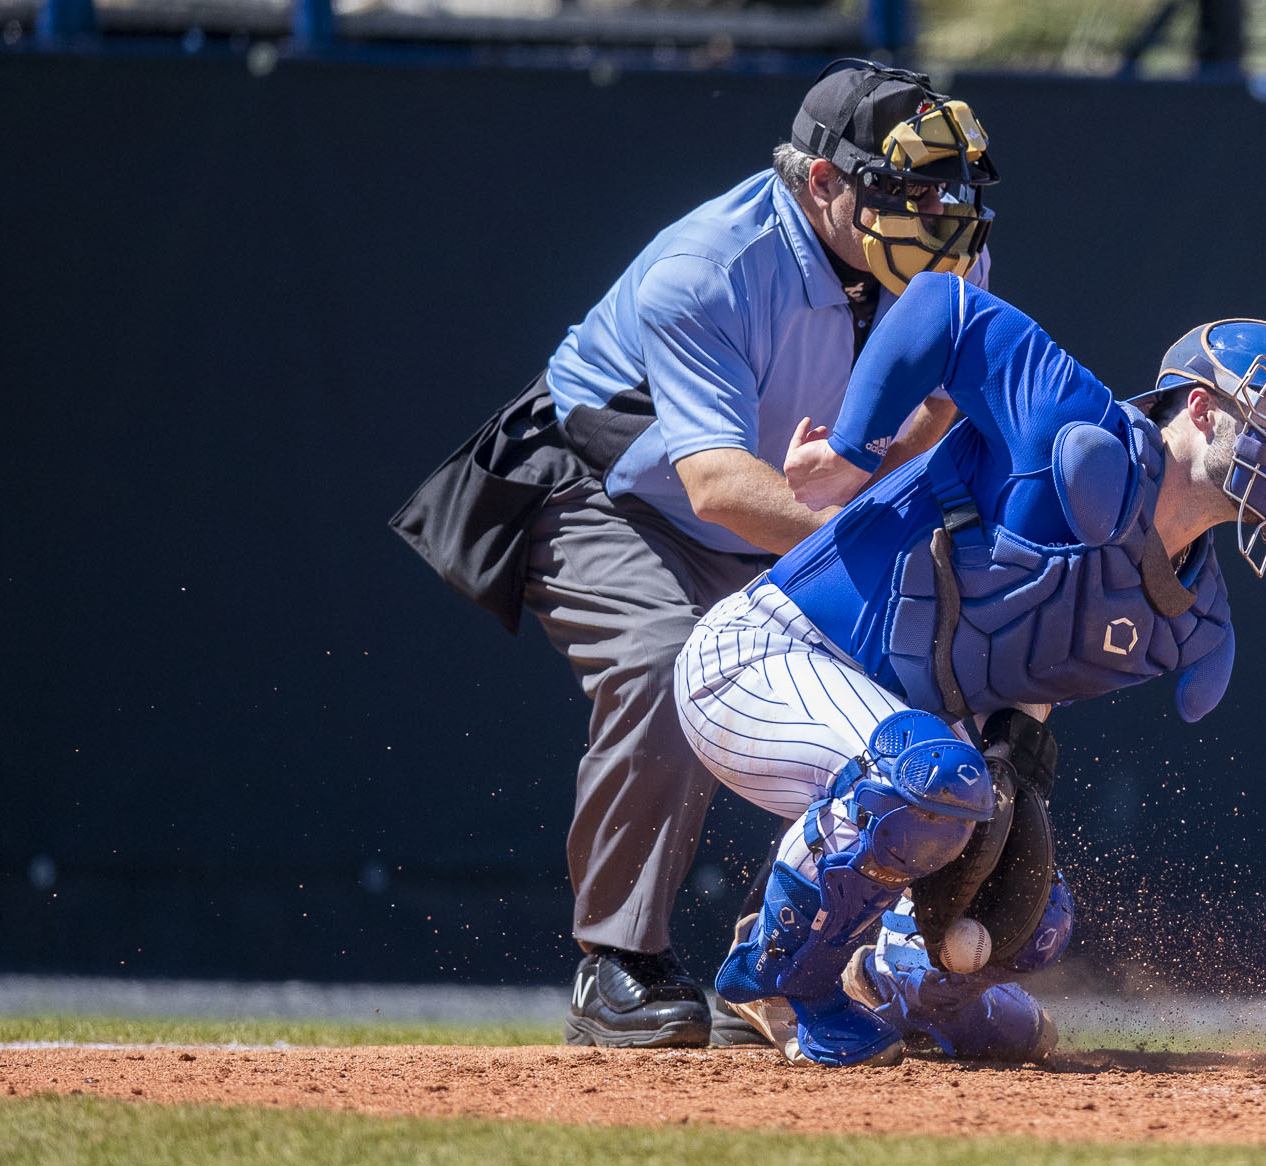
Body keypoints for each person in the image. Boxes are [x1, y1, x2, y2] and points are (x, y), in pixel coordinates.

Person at [389, 60, 999, 1049]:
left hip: (781, 501)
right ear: (822, 183)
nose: (939, 213)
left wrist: (873, 487)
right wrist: (880, 551)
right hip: (611, 491)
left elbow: (942, 399)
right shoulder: (711, 267)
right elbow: (716, 485)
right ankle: (616, 966)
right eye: (908, 190)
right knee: (668, 659)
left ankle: (802, 961)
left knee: (927, 673)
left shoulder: (947, 256)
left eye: (949, 189)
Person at [675, 273, 1266, 1066]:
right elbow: (940, 305)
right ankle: (788, 987)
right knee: (929, 778)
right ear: (1203, 407)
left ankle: (900, 987)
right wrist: (851, 450)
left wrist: (1006, 779)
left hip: (898, 729)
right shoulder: (1074, 422)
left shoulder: (1190, 618)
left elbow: (1020, 687)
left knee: (1036, 917)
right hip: (764, 654)